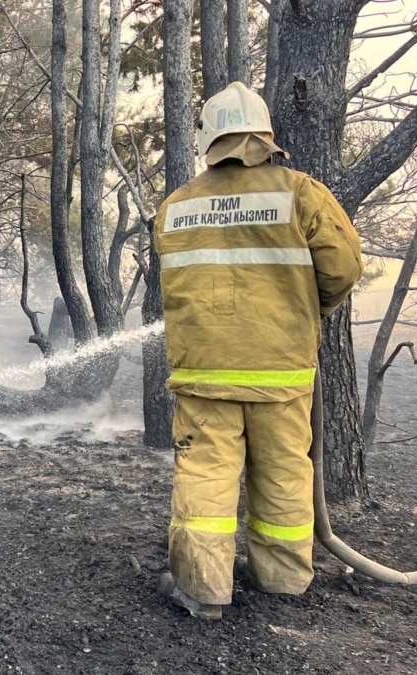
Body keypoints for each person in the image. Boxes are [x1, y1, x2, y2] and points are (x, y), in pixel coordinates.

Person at [153, 82, 364, 620]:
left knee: (204, 476)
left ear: (208, 138)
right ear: (265, 135)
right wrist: (303, 308)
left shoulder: (176, 206)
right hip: (282, 369)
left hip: (204, 373)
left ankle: (202, 591)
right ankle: (284, 579)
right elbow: (342, 269)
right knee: (285, 473)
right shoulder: (300, 192)